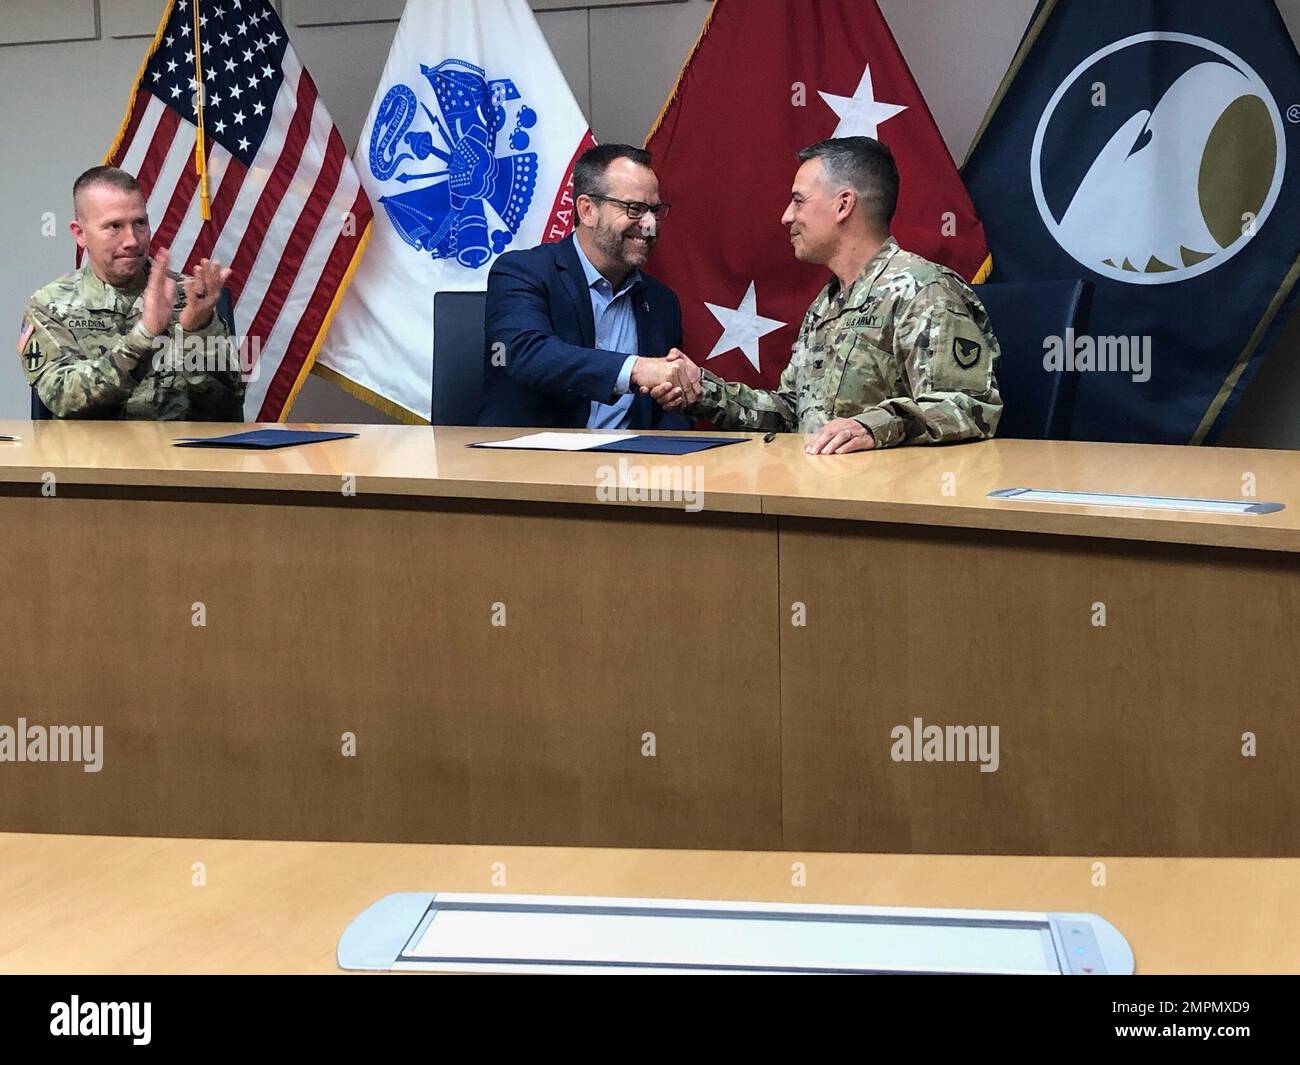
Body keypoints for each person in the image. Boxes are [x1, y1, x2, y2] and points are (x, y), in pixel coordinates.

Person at [653, 137, 1000, 454]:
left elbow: (968, 406)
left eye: (798, 201)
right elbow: (793, 414)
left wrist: (873, 427)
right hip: (819, 491)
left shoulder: (922, 290)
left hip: (891, 501)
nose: (787, 216)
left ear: (843, 204)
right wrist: (704, 389)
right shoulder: (828, 303)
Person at [477, 144, 701, 429]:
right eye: (635, 209)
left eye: (654, 210)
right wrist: (635, 368)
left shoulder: (662, 301)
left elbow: (667, 413)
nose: (650, 224)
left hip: (630, 467)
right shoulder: (522, 272)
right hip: (535, 464)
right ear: (587, 210)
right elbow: (522, 355)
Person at [18, 165, 243, 420]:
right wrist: (144, 336)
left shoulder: (188, 296)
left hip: (179, 456)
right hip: (93, 458)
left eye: (140, 223)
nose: (132, 240)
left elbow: (227, 407)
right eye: (114, 226)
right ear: (80, 234)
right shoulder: (50, 305)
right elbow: (64, 399)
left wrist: (198, 329)